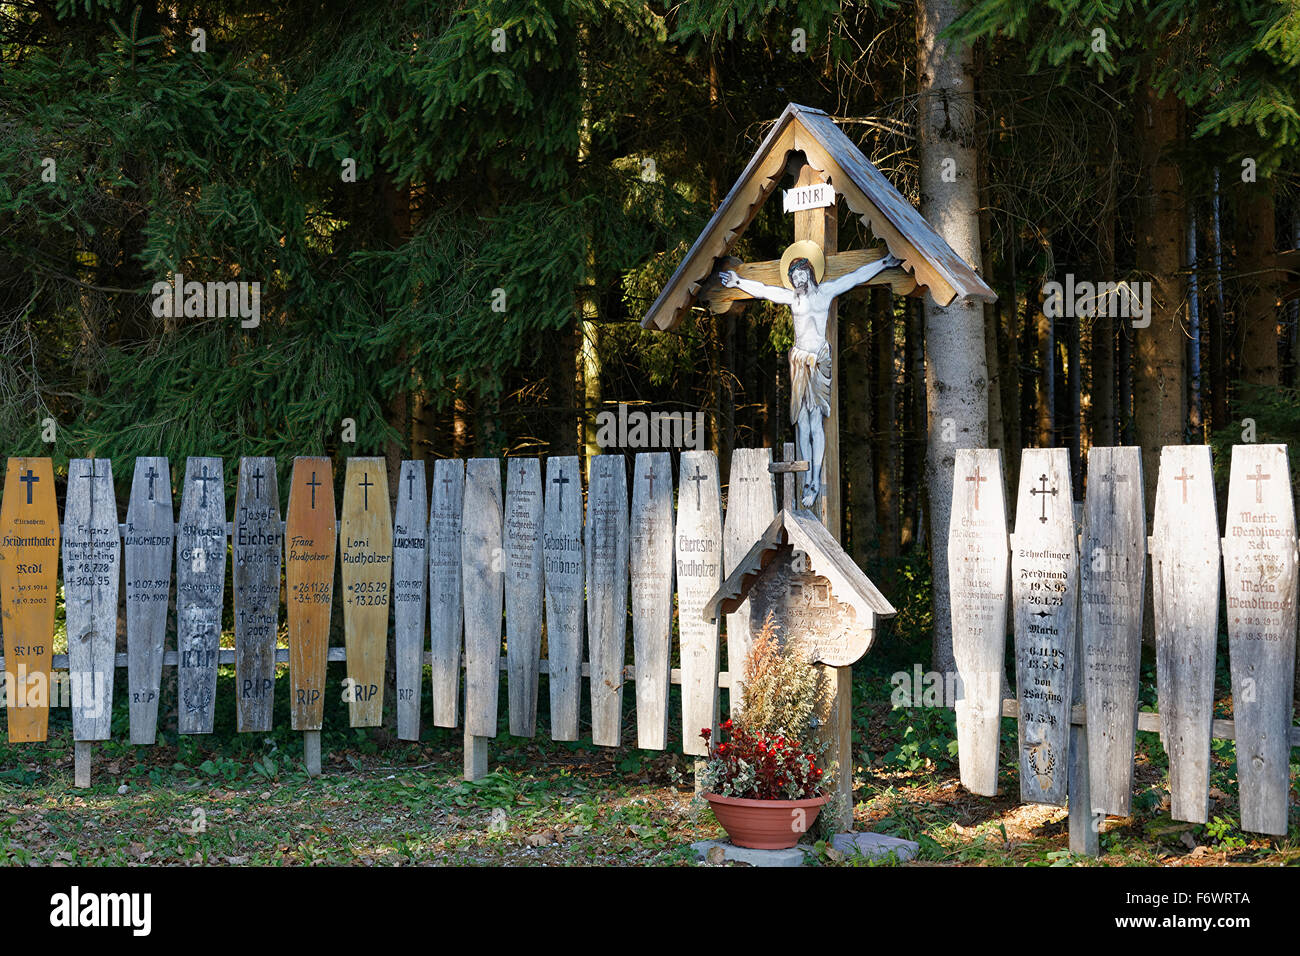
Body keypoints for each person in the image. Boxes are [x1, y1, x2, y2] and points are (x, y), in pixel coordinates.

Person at [720, 243, 903, 507]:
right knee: (801, 422)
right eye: (793, 277)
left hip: (819, 361)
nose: (797, 279)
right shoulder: (793, 298)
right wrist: (739, 281)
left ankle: (815, 480)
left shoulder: (825, 292)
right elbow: (765, 291)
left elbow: (855, 277)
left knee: (815, 420)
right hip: (798, 361)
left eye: (801, 274)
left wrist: (884, 263)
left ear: (809, 273)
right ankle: (805, 477)